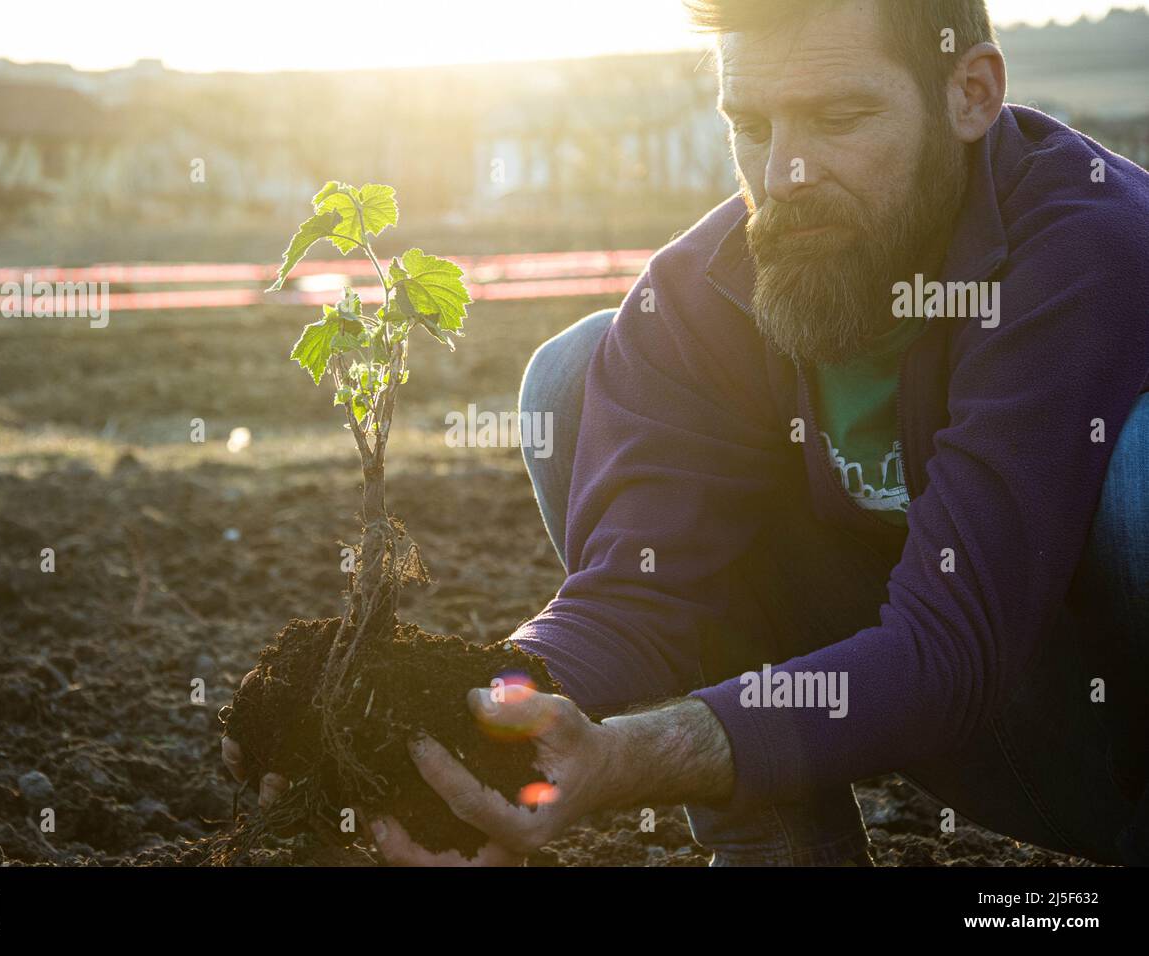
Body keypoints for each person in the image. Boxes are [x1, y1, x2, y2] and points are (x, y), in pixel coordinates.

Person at [225, 0, 1149, 866]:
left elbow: (956, 645)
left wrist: (632, 757)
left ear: (970, 96)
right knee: (572, 378)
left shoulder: (1082, 246)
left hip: (1099, 734)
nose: (785, 175)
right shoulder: (709, 286)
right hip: (937, 724)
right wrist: (456, 723)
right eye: (753, 126)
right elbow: (636, 591)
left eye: (838, 119)